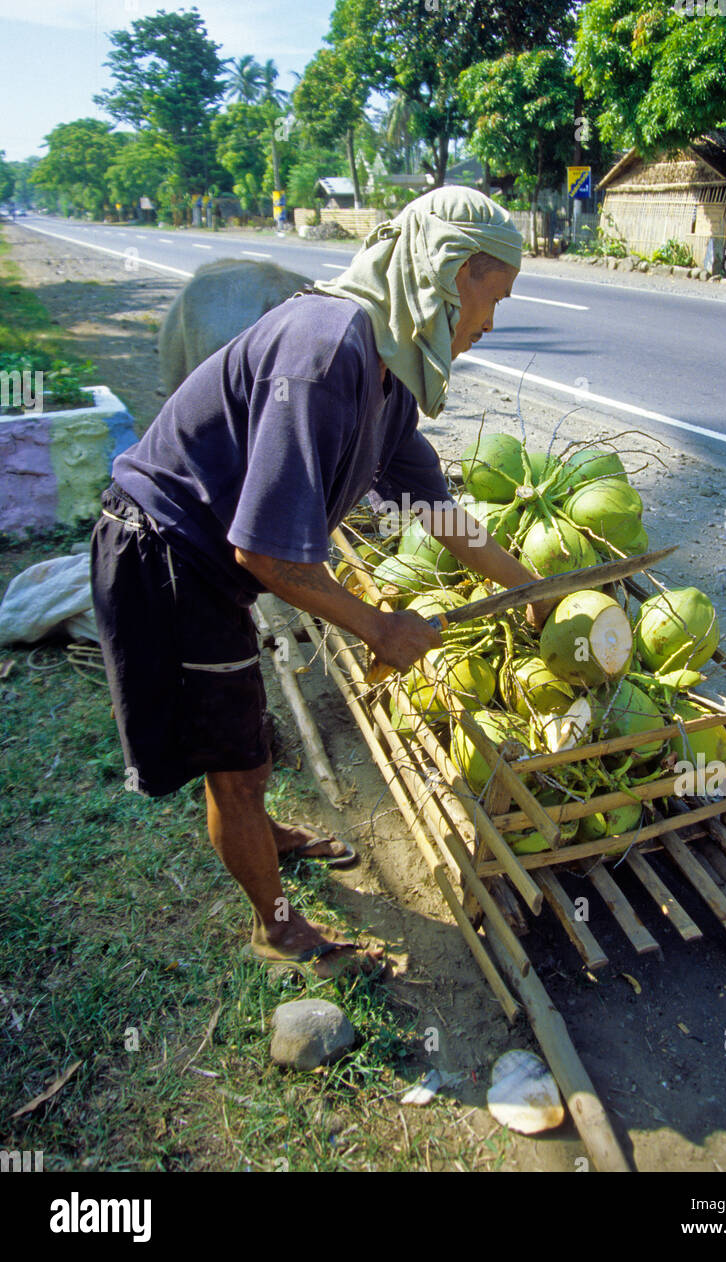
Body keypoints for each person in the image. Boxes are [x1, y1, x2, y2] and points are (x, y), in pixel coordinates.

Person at [90, 186, 545, 976]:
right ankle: (274, 928)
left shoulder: (389, 376)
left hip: (204, 561)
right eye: (493, 298)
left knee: (247, 746)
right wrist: (384, 629)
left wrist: (535, 589)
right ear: (455, 272)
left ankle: (267, 834)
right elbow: (268, 558)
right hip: (164, 555)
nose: (489, 325)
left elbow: (436, 514)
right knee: (235, 766)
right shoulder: (328, 348)